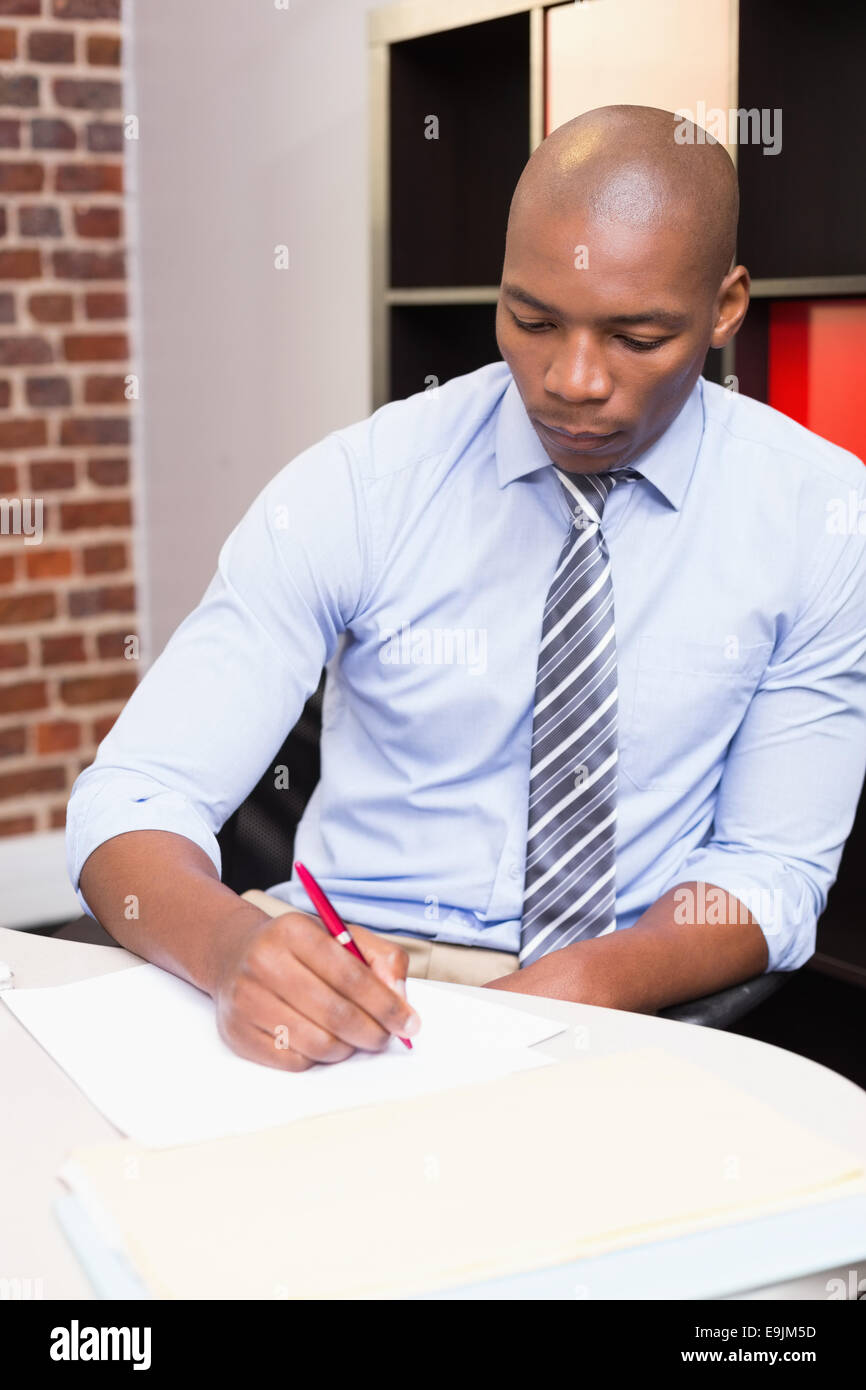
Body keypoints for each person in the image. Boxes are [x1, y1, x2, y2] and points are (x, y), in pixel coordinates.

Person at [68, 105, 866, 1072]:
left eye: (637, 337)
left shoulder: (822, 519)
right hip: (347, 966)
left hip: (621, 989)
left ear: (727, 307)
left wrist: (589, 985)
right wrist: (234, 949)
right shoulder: (363, 485)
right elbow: (136, 793)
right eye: (532, 320)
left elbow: (770, 871)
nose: (573, 380)